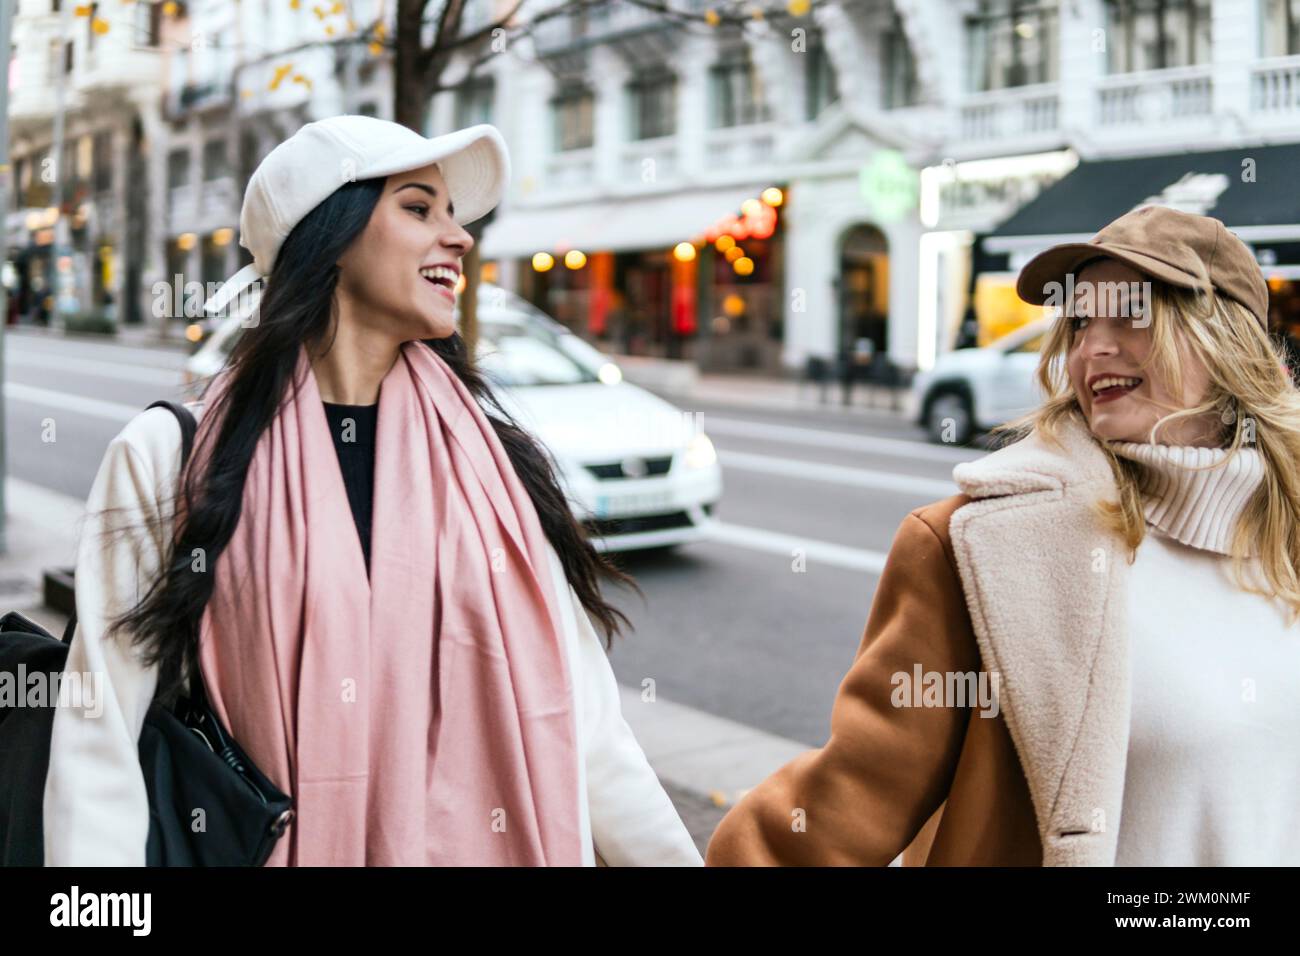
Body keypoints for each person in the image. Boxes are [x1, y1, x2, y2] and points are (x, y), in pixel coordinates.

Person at [43, 115, 702, 867]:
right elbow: (99, 736)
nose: (459, 239)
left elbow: (587, 728)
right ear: (332, 234)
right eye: (419, 209)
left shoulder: (493, 464)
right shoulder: (170, 457)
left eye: (454, 216)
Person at [705, 204, 1300, 866]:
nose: (1092, 348)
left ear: (1225, 343)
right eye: (1078, 322)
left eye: (1132, 315)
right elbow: (838, 811)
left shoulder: (1288, 529)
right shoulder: (986, 549)